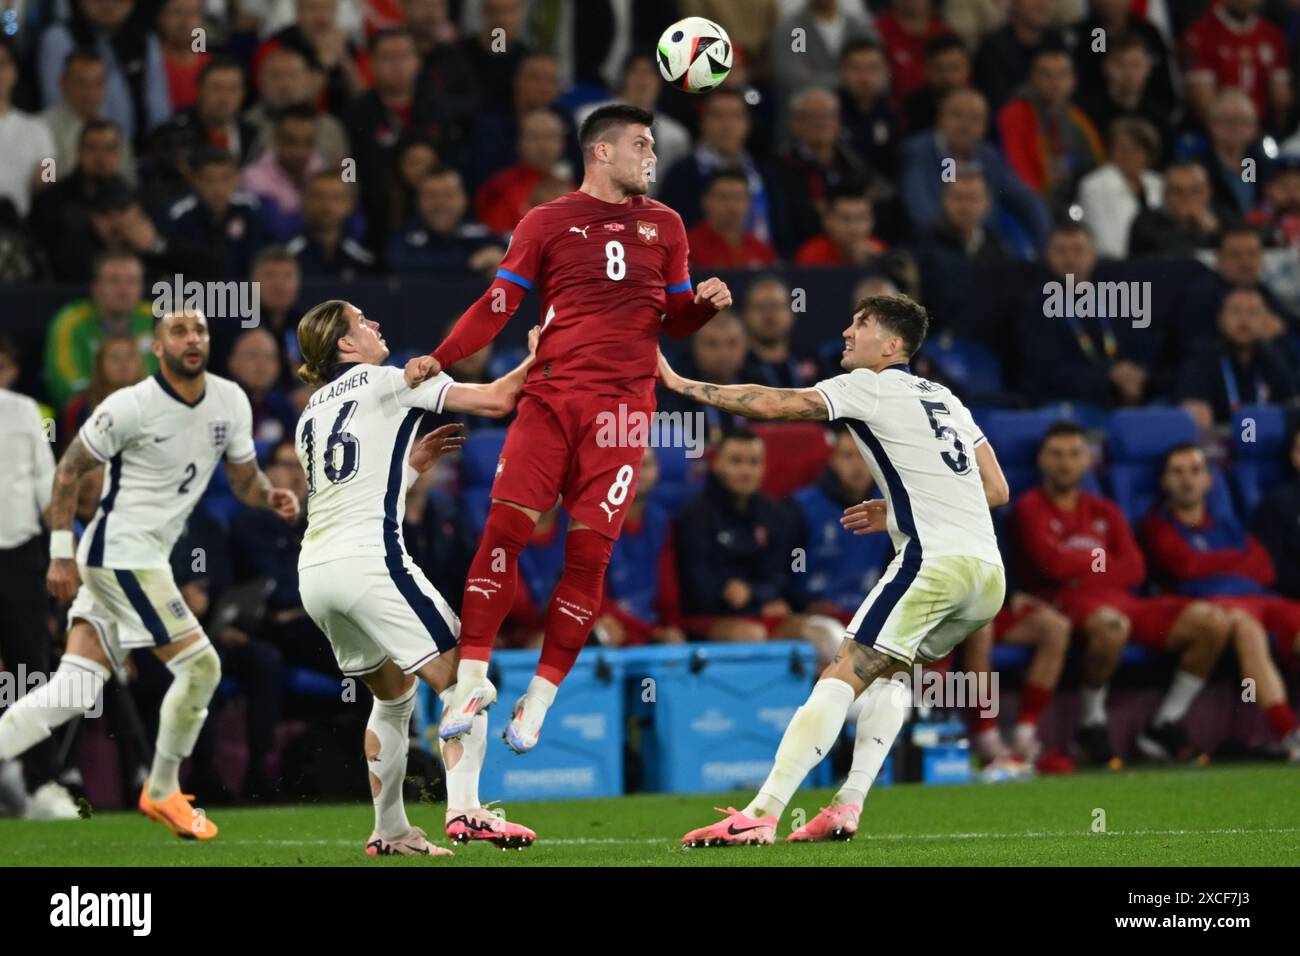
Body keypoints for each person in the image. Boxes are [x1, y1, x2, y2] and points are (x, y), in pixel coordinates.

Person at [405, 104, 732, 756]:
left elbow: (674, 319)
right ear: (601, 152)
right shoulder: (545, 221)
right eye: (641, 145)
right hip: (552, 400)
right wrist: (439, 357)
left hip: (622, 414)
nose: (652, 157)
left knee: (589, 558)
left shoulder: (666, 226)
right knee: (505, 531)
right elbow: (497, 305)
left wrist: (701, 309)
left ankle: (540, 700)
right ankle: (472, 678)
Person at [660, 294, 1010, 845]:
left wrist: (683, 386)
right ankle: (846, 806)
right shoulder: (945, 398)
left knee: (843, 670)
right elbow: (996, 489)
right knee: (891, 675)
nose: (846, 332)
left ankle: (762, 811)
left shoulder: (868, 386)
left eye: (860, 325)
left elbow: (774, 405)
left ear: (892, 346)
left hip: (934, 563)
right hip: (988, 575)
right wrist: (896, 509)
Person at [0, 310, 300, 841]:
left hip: (141, 557)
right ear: (157, 348)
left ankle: (158, 787)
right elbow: (69, 469)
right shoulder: (130, 405)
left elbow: (243, 479)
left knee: (71, 690)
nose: (192, 339)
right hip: (120, 554)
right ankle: (162, 788)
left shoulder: (229, 400)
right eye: (179, 332)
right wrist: (60, 554)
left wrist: (267, 495)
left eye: (200, 331)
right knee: (203, 668)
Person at [293, 299, 539, 855]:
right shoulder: (389, 379)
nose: (376, 323)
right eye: (363, 321)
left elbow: (346, 489)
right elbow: (499, 401)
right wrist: (535, 360)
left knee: (395, 692)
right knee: (466, 680)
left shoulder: (309, 413)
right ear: (345, 345)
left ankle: (391, 828)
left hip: (316, 574)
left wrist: (407, 467)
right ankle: (468, 811)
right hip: (370, 562)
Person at [1012, 422, 1234, 765]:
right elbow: (1049, 566)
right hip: (1065, 602)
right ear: (1042, 459)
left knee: (1213, 622)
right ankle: (1092, 724)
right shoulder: (1029, 506)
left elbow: (1135, 569)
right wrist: (1097, 563)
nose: (1065, 463)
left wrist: (1078, 563)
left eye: (1074, 454)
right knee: (1111, 627)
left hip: (1125, 601)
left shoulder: (1105, 510)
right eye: (1056, 454)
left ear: (1087, 460)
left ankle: (1165, 721)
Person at [1139, 443, 1300, 760]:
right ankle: (1289, 733)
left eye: (1195, 470)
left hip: (1263, 598)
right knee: (1245, 626)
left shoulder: (1228, 524)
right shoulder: (1157, 525)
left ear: (1209, 480)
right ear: (1164, 481)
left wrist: (1211, 560)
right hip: (1210, 603)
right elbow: (1183, 565)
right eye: (1178, 471)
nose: (1187, 479)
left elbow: (1264, 569)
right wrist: (1235, 561)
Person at [0, 352, 70, 819]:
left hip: (19, 555)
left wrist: (64, 550)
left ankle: (41, 780)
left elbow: (50, 487)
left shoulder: (24, 411)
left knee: (32, 668)